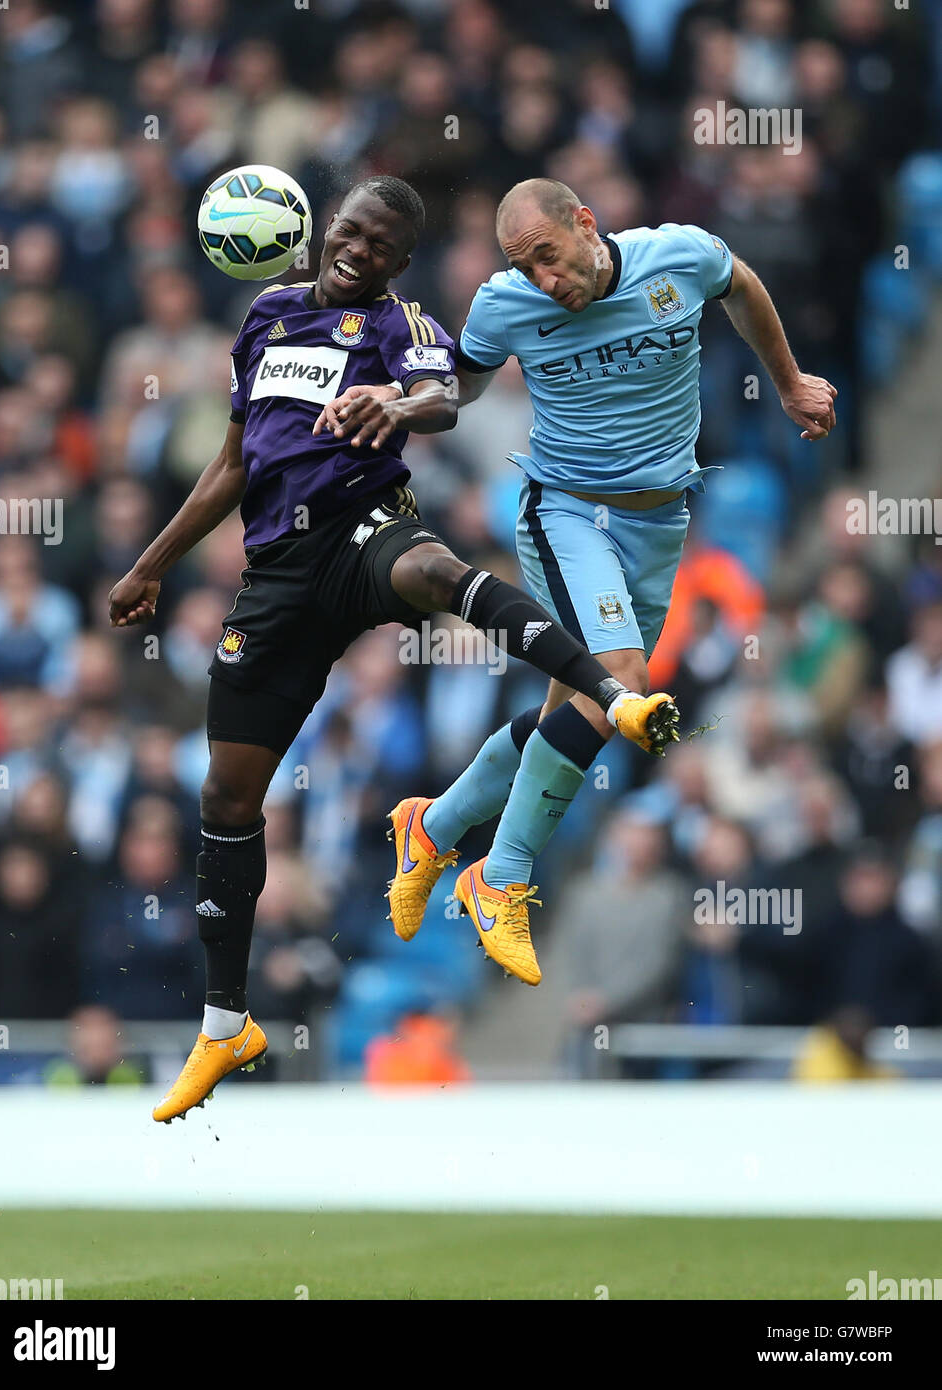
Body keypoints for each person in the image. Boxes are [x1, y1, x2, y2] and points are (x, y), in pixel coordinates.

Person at [108, 175, 661, 1122]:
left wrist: (395, 408)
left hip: (363, 530)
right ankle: (224, 1025)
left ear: (401, 263)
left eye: (381, 247)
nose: (360, 251)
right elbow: (233, 464)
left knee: (439, 573)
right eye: (352, 233)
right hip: (277, 578)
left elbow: (442, 399)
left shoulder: (404, 326)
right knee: (225, 796)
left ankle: (613, 696)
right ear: (330, 228)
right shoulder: (268, 318)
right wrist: (151, 563)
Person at [319, 177, 837, 985]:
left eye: (550, 259)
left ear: (586, 224)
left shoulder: (680, 257)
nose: (544, 283)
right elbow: (458, 388)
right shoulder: (504, 305)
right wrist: (394, 393)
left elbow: (742, 284)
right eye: (526, 268)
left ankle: (434, 826)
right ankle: (502, 875)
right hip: (567, 514)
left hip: (661, 521)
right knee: (619, 687)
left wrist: (788, 382)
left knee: (579, 712)